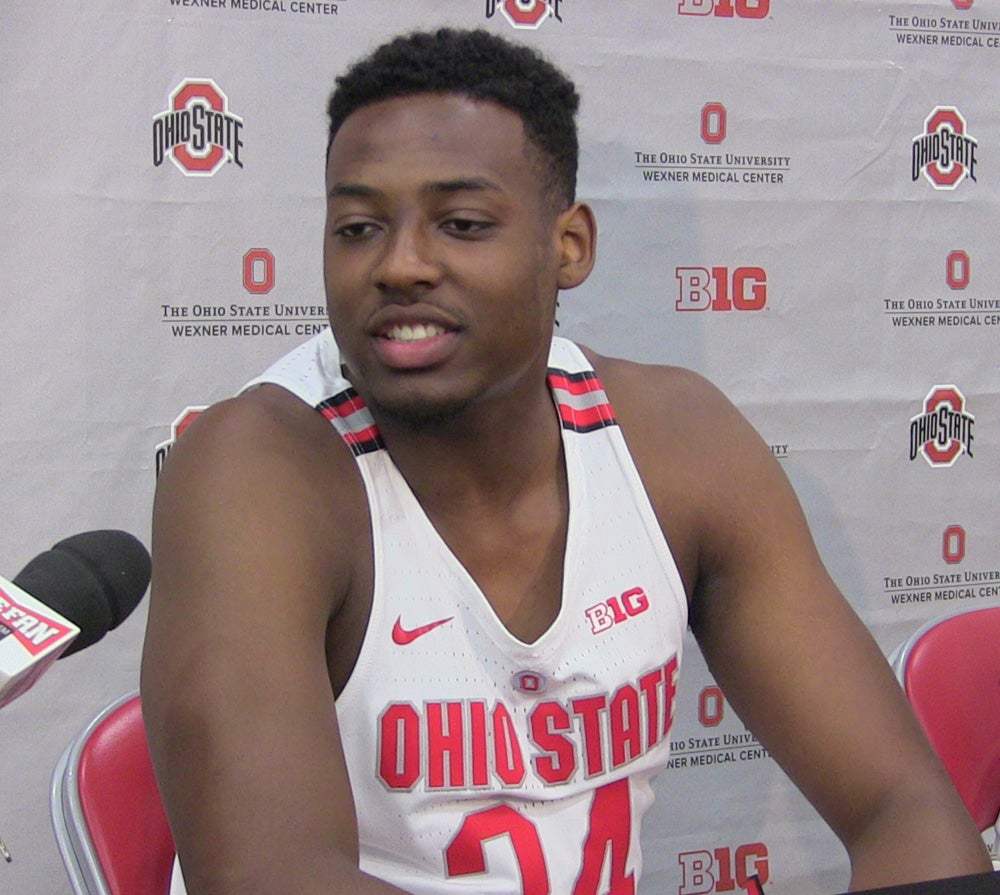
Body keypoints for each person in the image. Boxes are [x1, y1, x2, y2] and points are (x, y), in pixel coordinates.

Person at [141, 27, 992, 895]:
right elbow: (268, 878)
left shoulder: (679, 444)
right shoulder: (256, 470)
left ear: (569, 246)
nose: (399, 264)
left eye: (462, 224)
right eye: (358, 227)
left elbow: (902, 806)